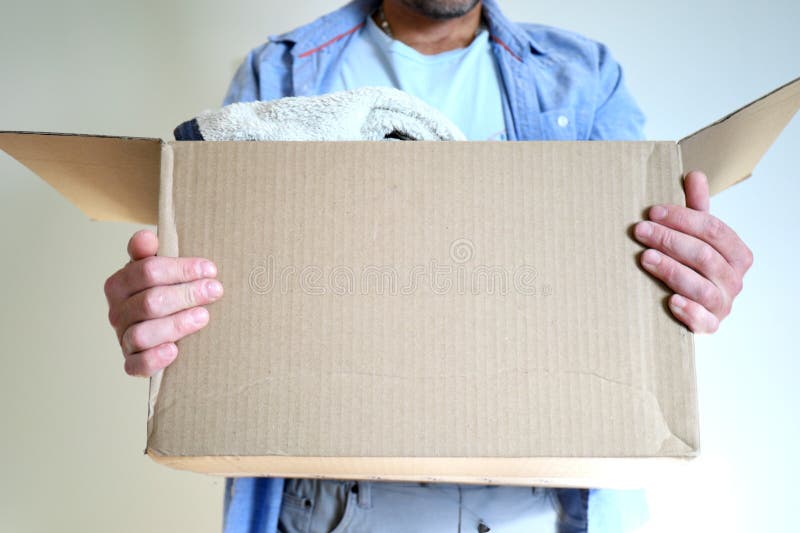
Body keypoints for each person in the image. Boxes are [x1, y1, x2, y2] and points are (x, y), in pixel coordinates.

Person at [103, 0, 754, 531]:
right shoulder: (279, 76)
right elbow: (220, 303)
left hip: (541, 507)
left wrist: (691, 275)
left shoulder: (584, 77)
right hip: (334, 504)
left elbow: (633, 284)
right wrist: (168, 313)